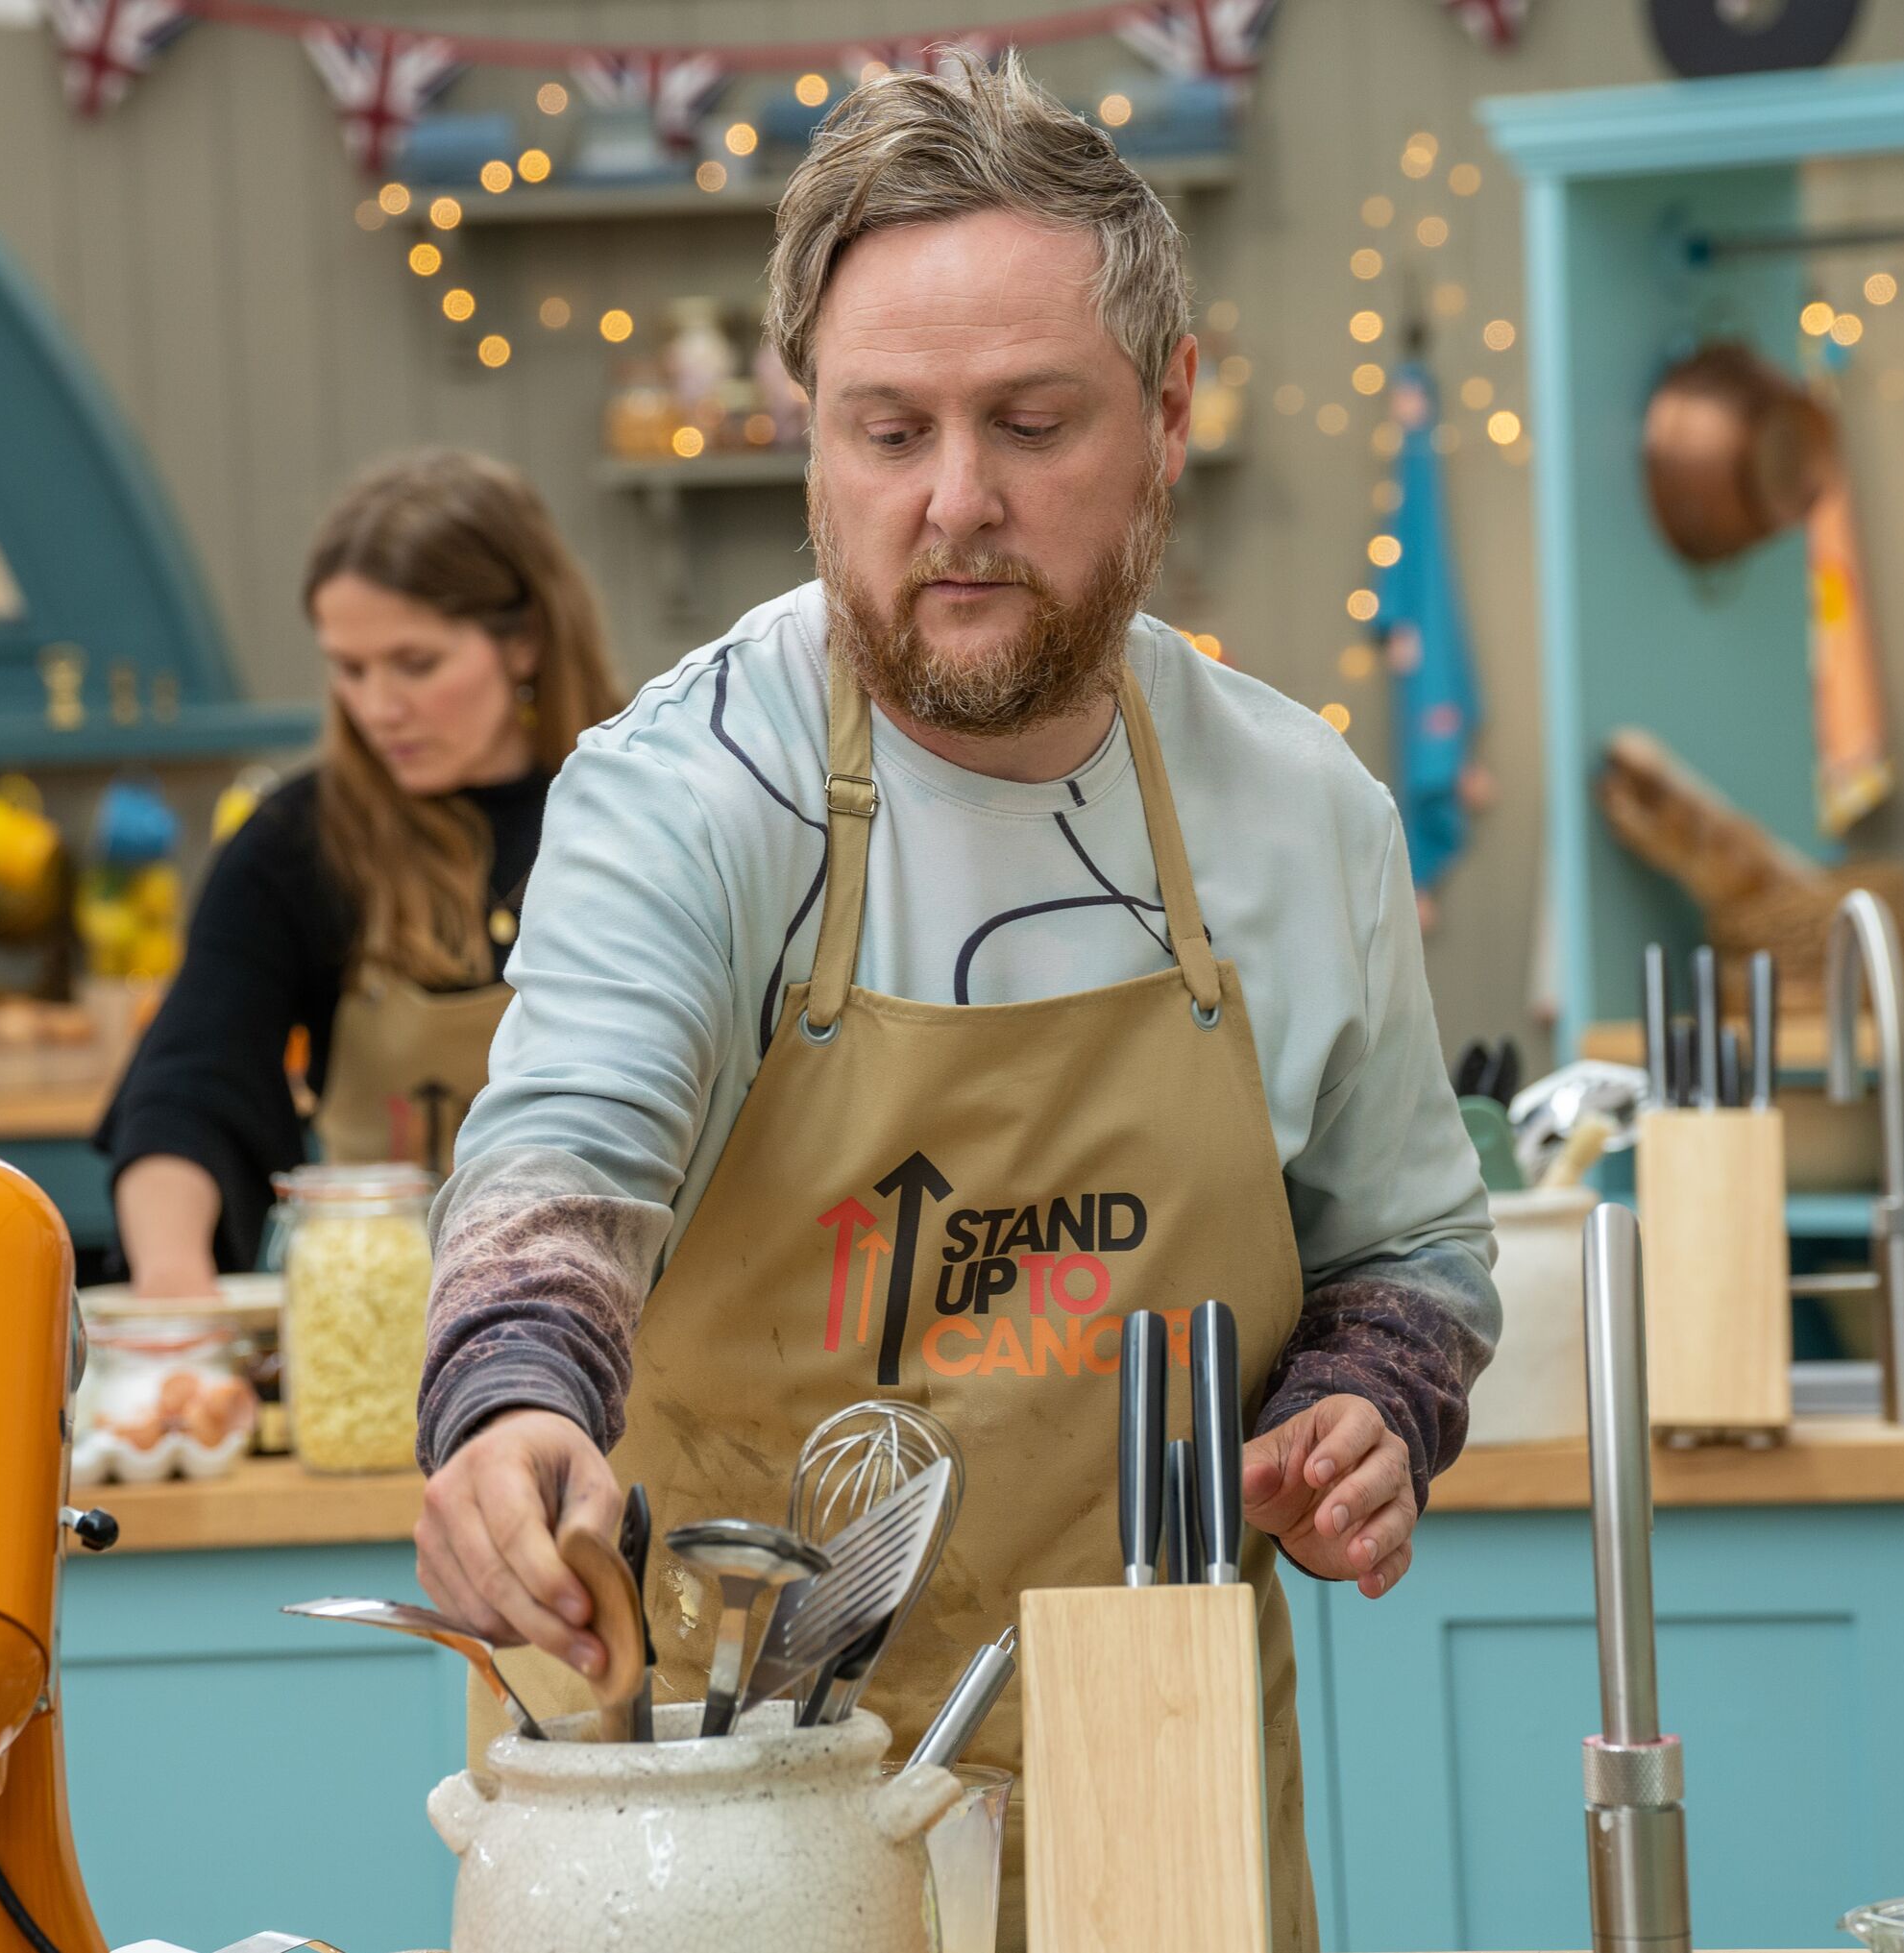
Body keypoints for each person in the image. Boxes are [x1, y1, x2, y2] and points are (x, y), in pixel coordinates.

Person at [408, 60, 1497, 1951]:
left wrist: (1366, 1401)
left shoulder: (1301, 812)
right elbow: (561, 1172)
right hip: (711, 1823)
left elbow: (1405, 1242)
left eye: (1029, 421)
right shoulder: (690, 789)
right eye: (886, 428)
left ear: (1165, 417)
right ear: (804, 427)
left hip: (1155, 1807)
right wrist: (507, 1406)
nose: (955, 500)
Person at [94, 451, 621, 1295]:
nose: (379, 708)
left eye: (416, 664)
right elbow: (193, 1078)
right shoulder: (296, 841)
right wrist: (171, 1278)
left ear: (524, 641)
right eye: (350, 668)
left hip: (619, 1307)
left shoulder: (643, 807)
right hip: (379, 1321)